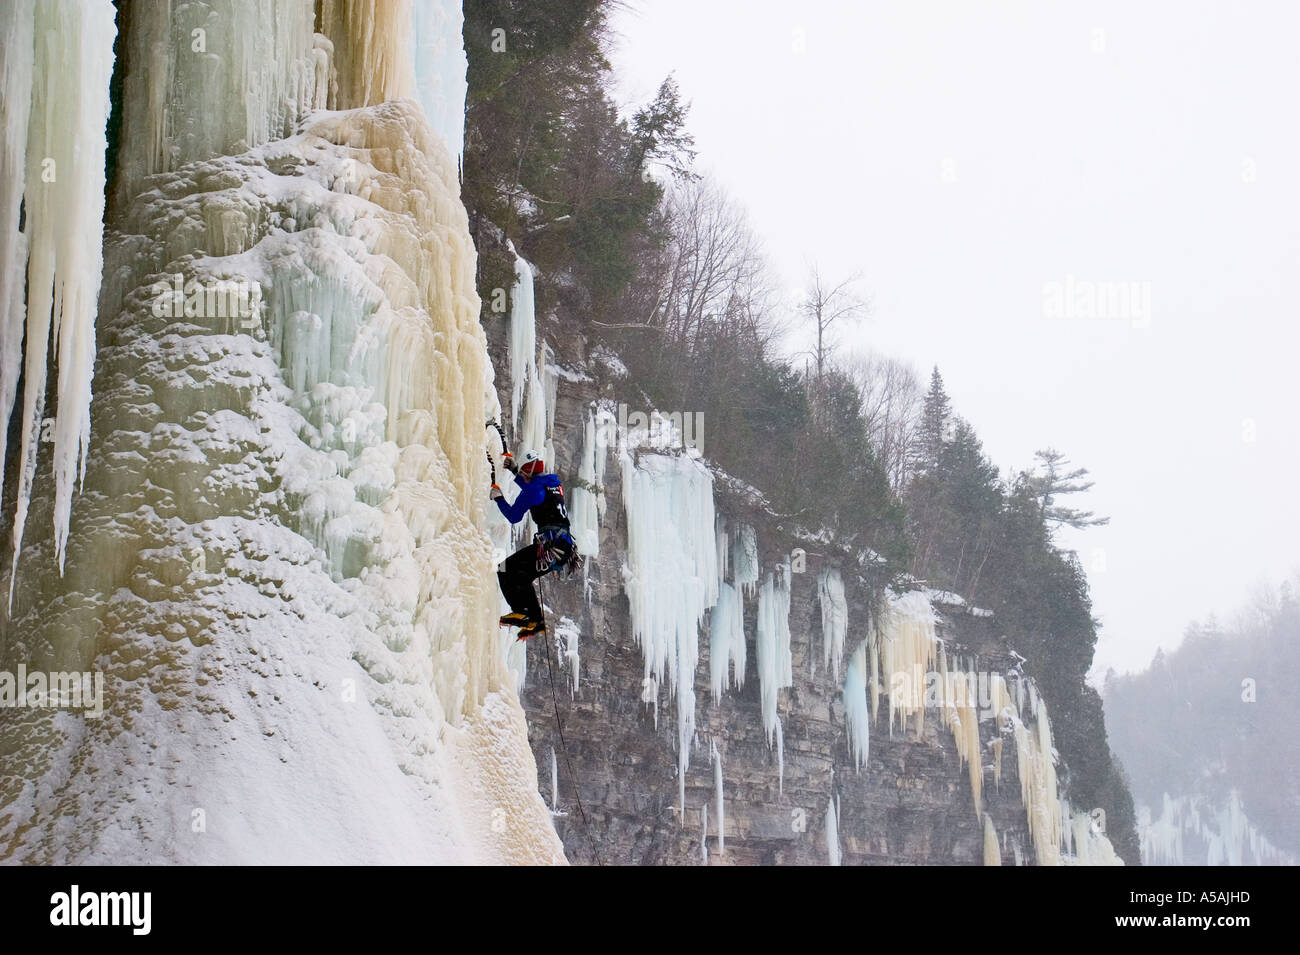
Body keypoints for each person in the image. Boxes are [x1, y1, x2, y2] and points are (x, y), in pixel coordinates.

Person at [491, 449, 576, 639]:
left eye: (522, 472)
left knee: (504, 569)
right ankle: (534, 619)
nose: (521, 475)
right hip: (563, 547)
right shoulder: (553, 484)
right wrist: (515, 471)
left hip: (551, 547)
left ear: (527, 471)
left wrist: (498, 498)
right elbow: (535, 490)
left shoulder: (534, 489)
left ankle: (524, 614)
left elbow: (513, 516)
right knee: (521, 575)